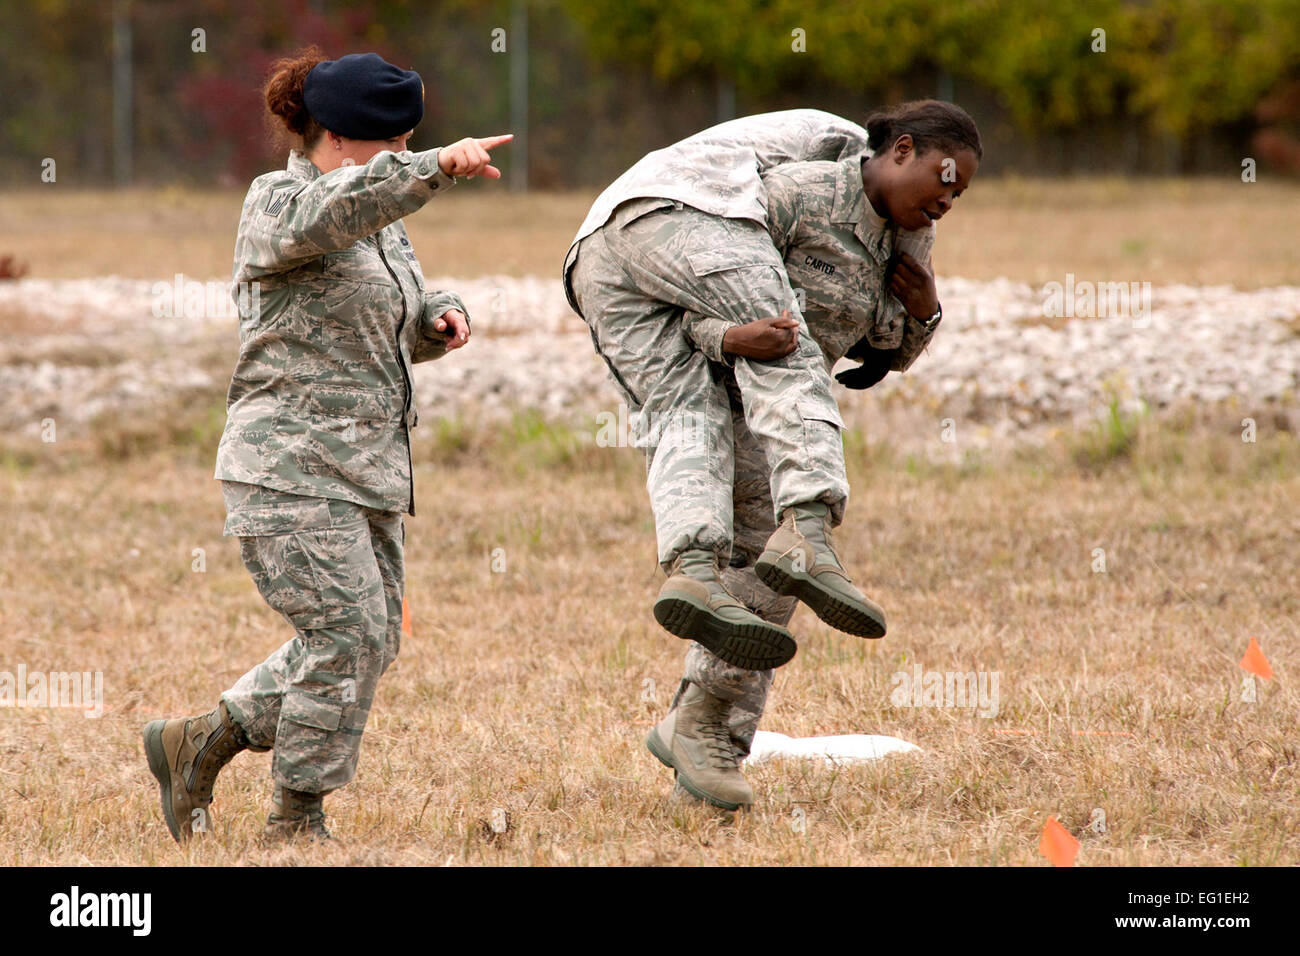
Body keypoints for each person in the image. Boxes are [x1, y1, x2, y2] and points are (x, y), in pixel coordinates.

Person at [564, 101, 981, 810]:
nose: (948, 197)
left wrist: (926, 309)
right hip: (710, 318)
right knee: (786, 355)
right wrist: (730, 335)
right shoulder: (791, 192)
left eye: (961, 191)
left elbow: (889, 350)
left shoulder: (908, 244)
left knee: (760, 549)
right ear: (901, 149)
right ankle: (811, 529)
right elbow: (698, 294)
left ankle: (705, 733)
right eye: (943, 177)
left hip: (752, 398)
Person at [142, 47, 511, 843]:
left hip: (367, 470)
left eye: (415, 142)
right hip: (288, 469)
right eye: (396, 143)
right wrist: (437, 169)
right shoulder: (278, 202)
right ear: (340, 140)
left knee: (371, 641)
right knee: (345, 634)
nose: (406, 156)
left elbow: (386, 305)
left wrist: (433, 318)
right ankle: (295, 820)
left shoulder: (380, 214)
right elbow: (331, 217)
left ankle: (199, 739)